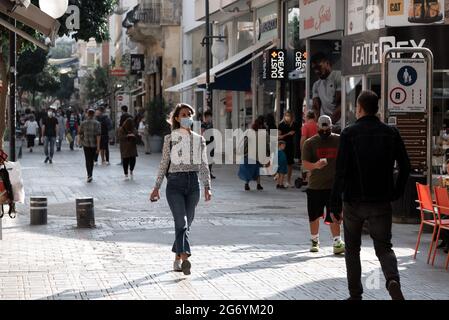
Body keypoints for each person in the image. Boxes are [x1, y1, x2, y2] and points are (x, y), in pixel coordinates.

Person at [330, 90, 411, 300]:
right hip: (381, 201)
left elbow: (340, 171)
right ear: (377, 109)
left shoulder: (348, 133)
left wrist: (333, 205)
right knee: (384, 247)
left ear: (359, 108)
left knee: (352, 249)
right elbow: (405, 166)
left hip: (353, 203)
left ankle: (355, 295)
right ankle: (392, 279)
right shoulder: (391, 133)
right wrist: (396, 192)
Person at [149, 103, 211, 276]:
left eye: (189, 114)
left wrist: (207, 186)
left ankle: (176, 257)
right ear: (176, 118)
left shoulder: (200, 139)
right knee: (181, 221)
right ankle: (185, 258)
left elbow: (204, 164)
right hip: (175, 185)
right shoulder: (170, 139)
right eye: (183, 114)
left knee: (186, 223)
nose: (187, 117)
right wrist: (156, 188)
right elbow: (163, 164)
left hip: (193, 185)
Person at [302, 115, 345, 255]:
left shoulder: (339, 140)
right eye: (323, 128)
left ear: (331, 127)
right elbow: (305, 164)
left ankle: (337, 242)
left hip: (334, 186)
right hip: (316, 186)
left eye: (328, 128)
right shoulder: (310, 143)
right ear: (318, 127)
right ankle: (315, 240)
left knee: (335, 214)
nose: (325, 131)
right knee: (314, 215)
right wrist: (316, 165)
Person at [311, 53, 342, 133]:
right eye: (314, 68)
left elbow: (341, 104)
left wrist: (328, 124)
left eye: (319, 67)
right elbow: (316, 107)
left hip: (340, 125)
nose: (317, 71)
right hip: (325, 126)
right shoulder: (316, 85)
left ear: (327, 63)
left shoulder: (338, 76)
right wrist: (319, 124)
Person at [238, 116, 267, 191]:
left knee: (249, 170)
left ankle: (247, 184)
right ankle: (258, 184)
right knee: (258, 170)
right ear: (261, 125)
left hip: (249, 155)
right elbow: (267, 144)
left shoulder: (248, 131)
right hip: (259, 155)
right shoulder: (263, 133)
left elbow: (241, 140)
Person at [79, 109, 101, 183]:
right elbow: (98, 136)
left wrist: (81, 141)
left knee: (87, 160)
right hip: (94, 144)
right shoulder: (97, 123)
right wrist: (98, 147)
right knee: (92, 159)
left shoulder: (83, 123)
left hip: (86, 144)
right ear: (94, 114)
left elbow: (80, 133)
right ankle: (90, 174)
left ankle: (89, 174)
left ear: (87, 114)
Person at [300, 110, 319, 190]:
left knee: (308, 167)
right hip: (317, 148)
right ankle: (315, 184)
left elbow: (304, 138)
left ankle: (309, 185)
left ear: (307, 117)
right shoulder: (318, 125)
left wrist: (301, 148)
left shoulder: (306, 126)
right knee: (315, 166)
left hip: (308, 148)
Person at [278, 111, 297, 187]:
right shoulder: (281, 125)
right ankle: (280, 180)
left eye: (289, 115)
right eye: (286, 115)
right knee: (282, 163)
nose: (287, 117)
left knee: (290, 163)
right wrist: (288, 134)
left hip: (290, 146)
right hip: (282, 146)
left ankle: (288, 180)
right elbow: (279, 137)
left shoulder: (294, 125)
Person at [201, 110, 216, 179]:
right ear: (206, 117)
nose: (210, 118)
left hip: (211, 142)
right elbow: (202, 133)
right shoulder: (203, 124)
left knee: (211, 158)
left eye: (211, 117)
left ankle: (209, 172)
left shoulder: (211, 124)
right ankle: (205, 173)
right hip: (206, 143)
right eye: (209, 117)